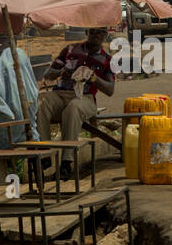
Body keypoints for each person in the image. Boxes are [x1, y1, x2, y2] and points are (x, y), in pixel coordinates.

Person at [36, 27, 115, 178]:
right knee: (40, 102)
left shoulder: (107, 60)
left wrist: (93, 78)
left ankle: (66, 163)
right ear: (87, 33)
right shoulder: (70, 50)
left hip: (85, 98)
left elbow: (110, 90)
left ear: (105, 35)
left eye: (101, 32)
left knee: (73, 108)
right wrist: (61, 72)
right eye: (93, 31)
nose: (96, 35)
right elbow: (48, 74)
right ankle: (44, 154)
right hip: (60, 94)